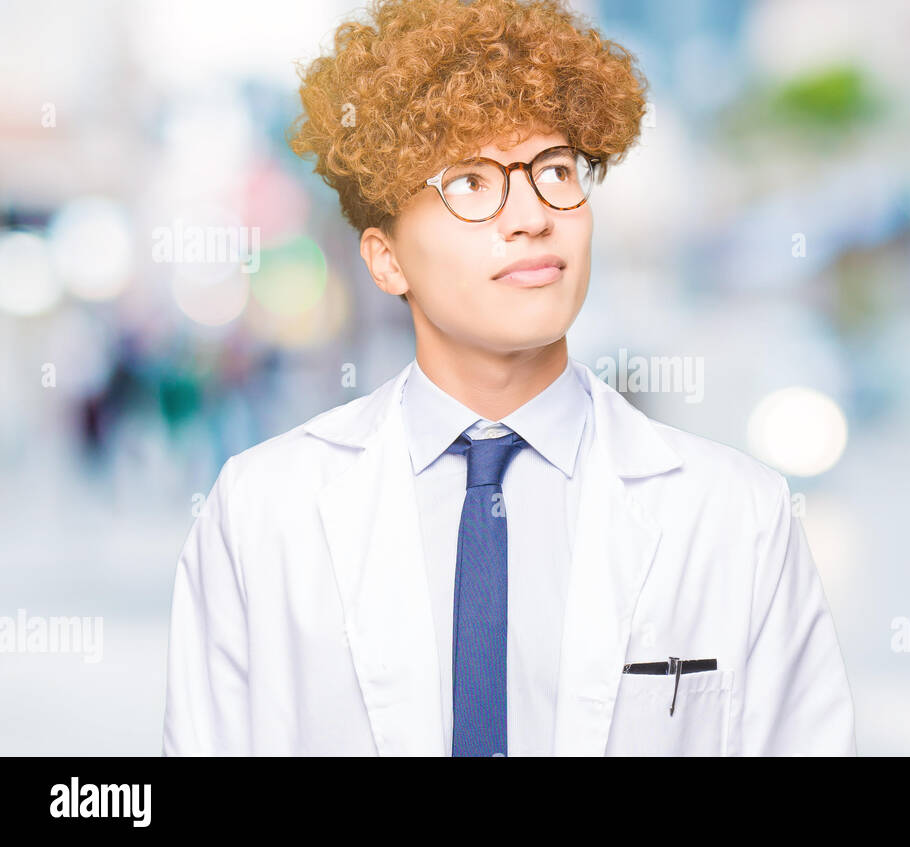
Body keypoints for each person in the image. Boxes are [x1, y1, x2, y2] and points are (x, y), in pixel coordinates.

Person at [163, 0, 856, 756]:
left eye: (555, 170)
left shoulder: (737, 517)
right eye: (468, 182)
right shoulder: (261, 513)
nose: (531, 214)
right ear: (385, 257)